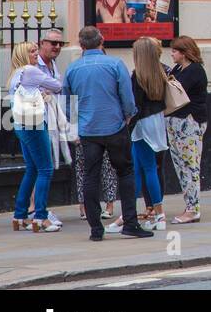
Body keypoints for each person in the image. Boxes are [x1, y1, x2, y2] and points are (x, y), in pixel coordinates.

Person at [62, 26, 153, 241]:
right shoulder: (115, 64)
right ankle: (130, 223)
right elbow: (127, 96)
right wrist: (128, 115)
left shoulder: (73, 69)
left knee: (90, 176)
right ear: (101, 41)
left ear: (81, 45)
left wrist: (76, 122)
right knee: (125, 172)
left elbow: (67, 102)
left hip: (88, 129)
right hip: (115, 126)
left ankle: (96, 229)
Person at [109, 37, 167, 233]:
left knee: (141, 168)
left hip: (141, 125)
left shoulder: (138, 77)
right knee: (146, 168)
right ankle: (152, 215)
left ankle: (139, 215)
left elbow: (135, 106)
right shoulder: (160, 72)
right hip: (156, 121)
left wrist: (127, 125)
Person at [8, 42, 62, 232]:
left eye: (35, 50)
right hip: (35, 125)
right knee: (45, 169)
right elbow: (57, 85)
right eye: (32, 51)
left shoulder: (16, 74)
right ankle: (40, 217)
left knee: (31, 169)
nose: (36, 54)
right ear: (23, 55)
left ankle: (20, 215)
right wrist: (44, 87)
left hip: (20, 125)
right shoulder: (31, 71)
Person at [165, 35, 209, 224]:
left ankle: (193, 209)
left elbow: (176, 91)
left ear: (184, 53)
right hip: (175, 121)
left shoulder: (195, 71)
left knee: (190, 166)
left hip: (190, 122)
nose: (172, 54)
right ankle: (189, 205)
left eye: (174, 50)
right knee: (181, 166)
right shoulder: (178, 68)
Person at [33, 30, 71, 225]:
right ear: (42, 43)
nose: (57, 47)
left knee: (40, 167)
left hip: (52, 120)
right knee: (42, 167)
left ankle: (34, 208)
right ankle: (36, 210)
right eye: (52, 43)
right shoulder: (34, 64)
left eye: (60, 44)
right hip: (37, 122)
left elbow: (57, 88)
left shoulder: (53, 65)